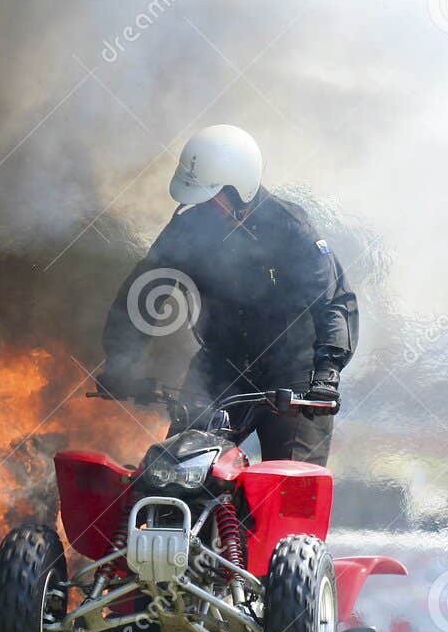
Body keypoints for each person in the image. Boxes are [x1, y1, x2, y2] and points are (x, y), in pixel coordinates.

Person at [100, 124, 358, 463]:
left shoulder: (290, 227)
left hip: (295, 378)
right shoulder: (189, 227)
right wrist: (121, 359)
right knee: (176, 472)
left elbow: (332, 301)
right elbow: (147, 287)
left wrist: (327, 373)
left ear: (241, 189)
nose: (205, 205)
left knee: (289, 493)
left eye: (213, 195)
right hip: (219, 369)